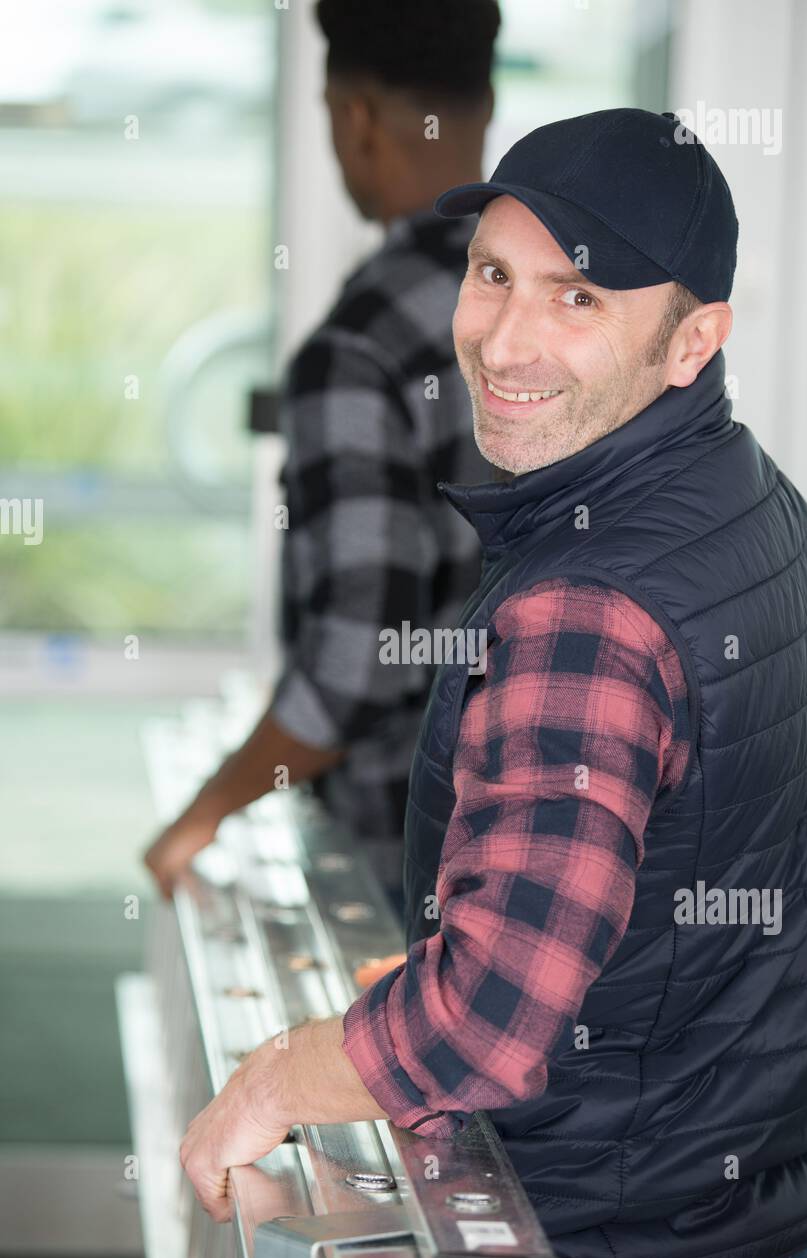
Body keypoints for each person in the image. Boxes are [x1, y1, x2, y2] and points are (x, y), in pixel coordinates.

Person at [177, 109, 807, 1258]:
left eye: (575, 297)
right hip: (757, 1250)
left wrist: (271, 1083)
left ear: (691, 340)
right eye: (491, 274)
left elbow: (482, 1025)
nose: (501, 342)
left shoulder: (587, 606)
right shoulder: (759, 508)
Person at [143, 0, 500, 917]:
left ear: (356, 117)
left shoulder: (361, 350)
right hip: (558, 861)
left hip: (408, 863)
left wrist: (204, 813)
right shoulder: (576, 305)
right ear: (488, 101)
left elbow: (356, 668)